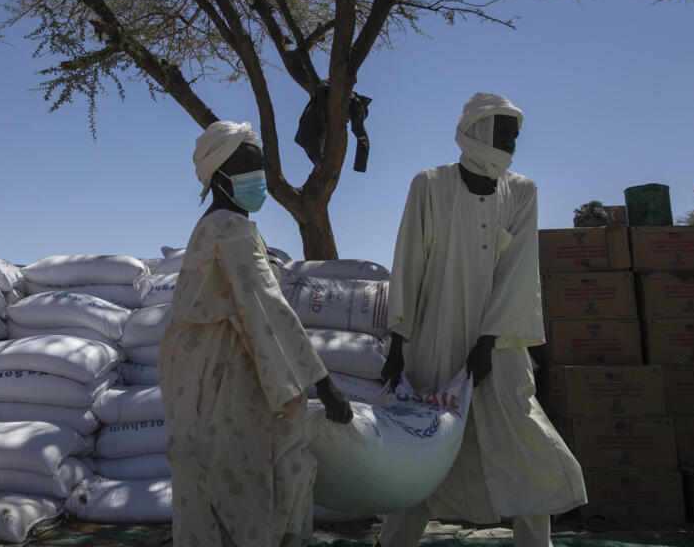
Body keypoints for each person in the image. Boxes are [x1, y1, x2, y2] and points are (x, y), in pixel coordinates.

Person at [377, 93, 586, 547]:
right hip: (436, 336)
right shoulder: (429, 185)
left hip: (501, 344)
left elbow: (519, 272)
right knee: (425, 445)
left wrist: (489, 341)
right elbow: (408, 261)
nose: (511, 142)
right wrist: (398, 339)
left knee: (523, 439)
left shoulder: (522, 191)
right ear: (476, 131)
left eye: (515, 135)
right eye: (503, 132)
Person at [159, 120, 352, 547]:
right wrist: (322, 381)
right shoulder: (231, 229)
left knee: (212, 488)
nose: (260, 176)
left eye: (261, 164)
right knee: (244, 488)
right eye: (250, 165)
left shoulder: (216, 226)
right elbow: (266, 309)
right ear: (222, 173)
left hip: (200, 376)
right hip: (222, 377)